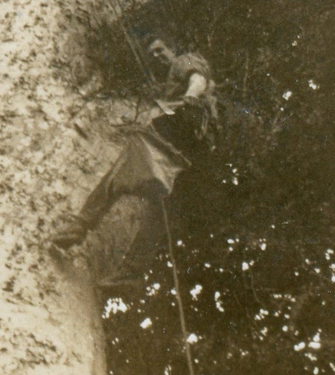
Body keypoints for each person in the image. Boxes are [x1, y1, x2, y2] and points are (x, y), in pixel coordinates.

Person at [51, 36, 217, 285]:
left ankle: (78, 228)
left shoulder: (184, 61)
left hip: (183, 126)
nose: (157, 56)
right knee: (159, 207)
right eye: (153, 54)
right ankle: (133, 270)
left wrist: (190, 97)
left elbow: (197, 77)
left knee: (119, 173)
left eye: (161, 50)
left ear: (173, 48)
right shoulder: (171, 82)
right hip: (194, 146)